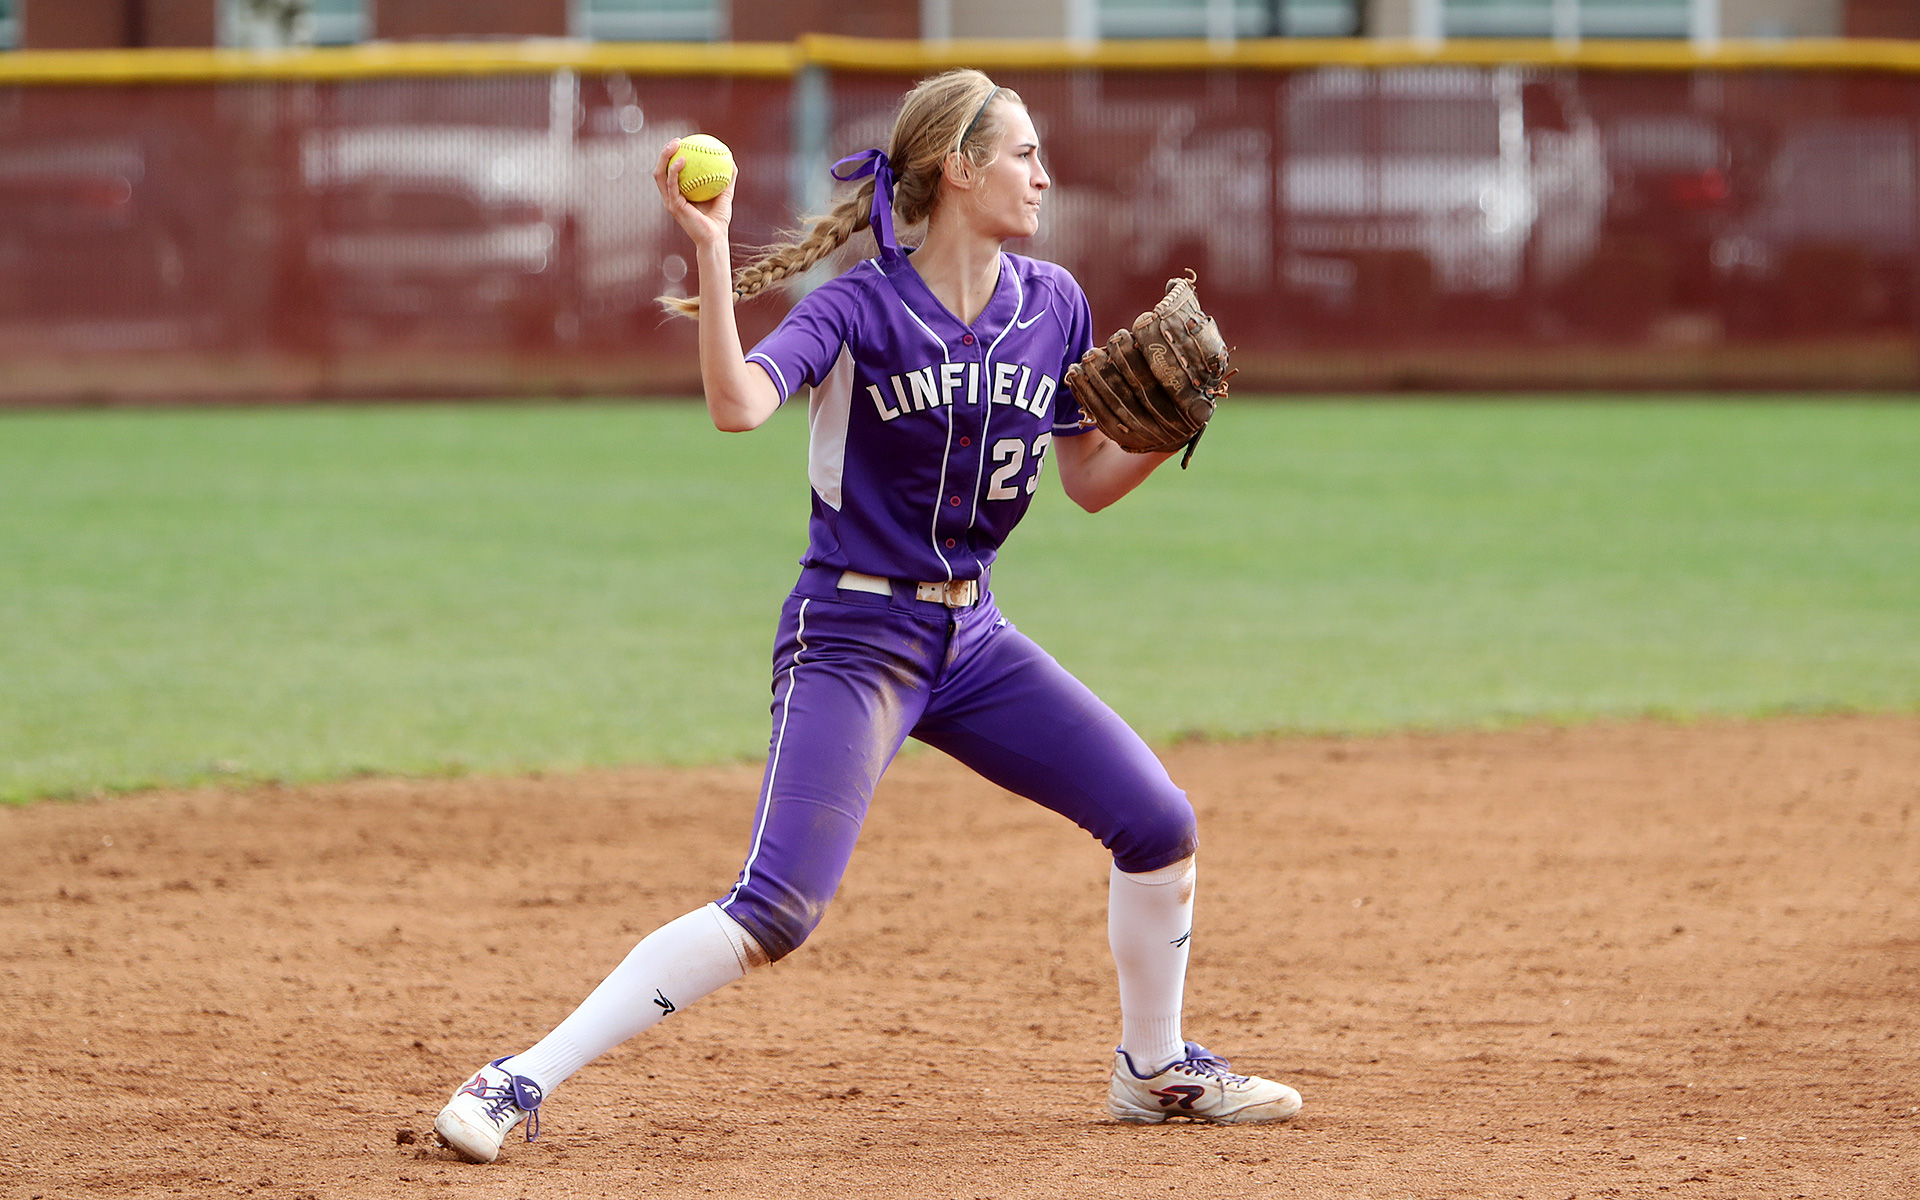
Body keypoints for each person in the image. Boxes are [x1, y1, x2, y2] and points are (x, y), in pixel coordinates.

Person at [432, 68, 1302, 1165]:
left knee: (1158, 825)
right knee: (776, 909)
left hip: (973, 640)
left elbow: (1084, 479)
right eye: (1023, 153)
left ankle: (1155, 1069)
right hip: (853, 636)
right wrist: (711, 250)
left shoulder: (1055, 304)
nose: (1044, 174)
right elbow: (737, 407)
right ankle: (517, 1077)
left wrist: (1166, 433)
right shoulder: (856, 308)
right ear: (960, 168)